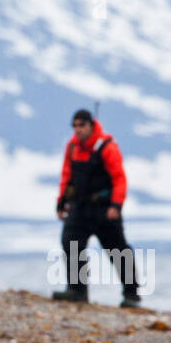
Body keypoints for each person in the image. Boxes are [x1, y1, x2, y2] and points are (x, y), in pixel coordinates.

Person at [52, 109, 142, 307]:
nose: (78, 130)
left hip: (104, 210)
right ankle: (76, 291)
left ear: (91, 125)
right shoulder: (72, 147)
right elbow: (67, 175)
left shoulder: (107, 147)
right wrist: (61, 201)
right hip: (79, 207)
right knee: (71, 243)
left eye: (81, 125)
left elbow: (120, 178)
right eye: (75, 126)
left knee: (117, 250)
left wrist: (116, 205)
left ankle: (132, 294)